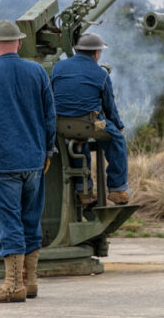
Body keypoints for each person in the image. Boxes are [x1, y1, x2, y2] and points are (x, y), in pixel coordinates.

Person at [0, 20, 56, 303]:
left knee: (9, 222)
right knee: (30, 219)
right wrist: (47, 152)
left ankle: (13, 285)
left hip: (2, 164)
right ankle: (31, 282)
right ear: (19, 43)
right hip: (34, 162)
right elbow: (50, 118)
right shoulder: (38, 71)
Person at [50, 33, 129, 205]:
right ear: (96, 53)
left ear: (77, 50)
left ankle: (83, 190)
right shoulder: (100, 74)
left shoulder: (58, 68)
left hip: (61, 126)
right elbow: (109, 107)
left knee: (78, 142)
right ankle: (118, 189)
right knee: (116, 140)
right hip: (89, 124)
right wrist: (118, 126)